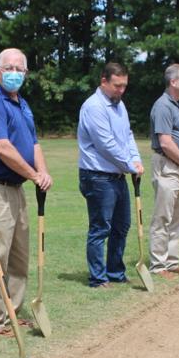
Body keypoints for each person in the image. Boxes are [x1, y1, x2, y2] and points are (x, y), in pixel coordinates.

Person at [0, 48, 52, 336]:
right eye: (9, 68)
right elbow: (1, 147)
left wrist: (42, 172)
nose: (14, 73)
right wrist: (33, 174)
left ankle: (12, 313)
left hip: (16, 189)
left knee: (18, 256)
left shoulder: (22, 104)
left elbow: (34, 143)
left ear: (26, 73)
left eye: (19, 69)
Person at [76, 62, 144, 288]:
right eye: (117, 86)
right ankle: (98, 278)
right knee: (100, 228)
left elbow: (127, 135)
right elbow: (106, 145)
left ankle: (115, 272)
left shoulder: (119, 105)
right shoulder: (94, 107)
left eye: (124, 86)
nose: (121, 90)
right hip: (97, 177)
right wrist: (130, 165)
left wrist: (136, 159)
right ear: (103, 81)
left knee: (121, 226)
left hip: (117, 176)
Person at [148, 63, 179, 278]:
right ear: (173, 82)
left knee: (176, 218)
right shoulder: (163, 106)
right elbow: (166, 142)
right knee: (163, 216)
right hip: (168, 167)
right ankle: (158, 265)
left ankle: (171, 261)